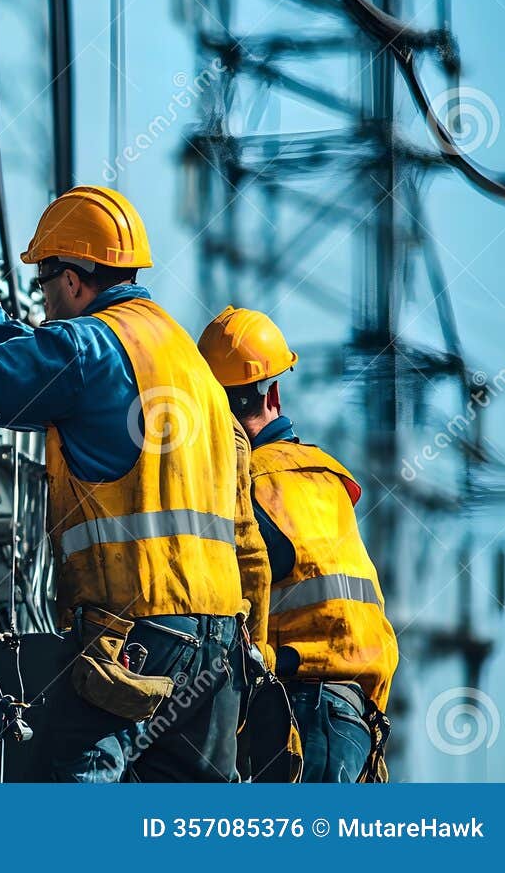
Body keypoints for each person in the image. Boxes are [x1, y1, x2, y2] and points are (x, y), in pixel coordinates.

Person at [0, 174, 271, 782]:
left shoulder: (93, 350)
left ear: (73, 280)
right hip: (219, 649)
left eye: (44, 284)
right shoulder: (190, 369)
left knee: (76, 789)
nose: (44, 300)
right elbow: (29, 356)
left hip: (139, 633)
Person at [199, 306, 398, 782]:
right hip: (356, 711)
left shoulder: (244, 482)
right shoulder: (325, 475)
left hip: (303, 710)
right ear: (274, 393)